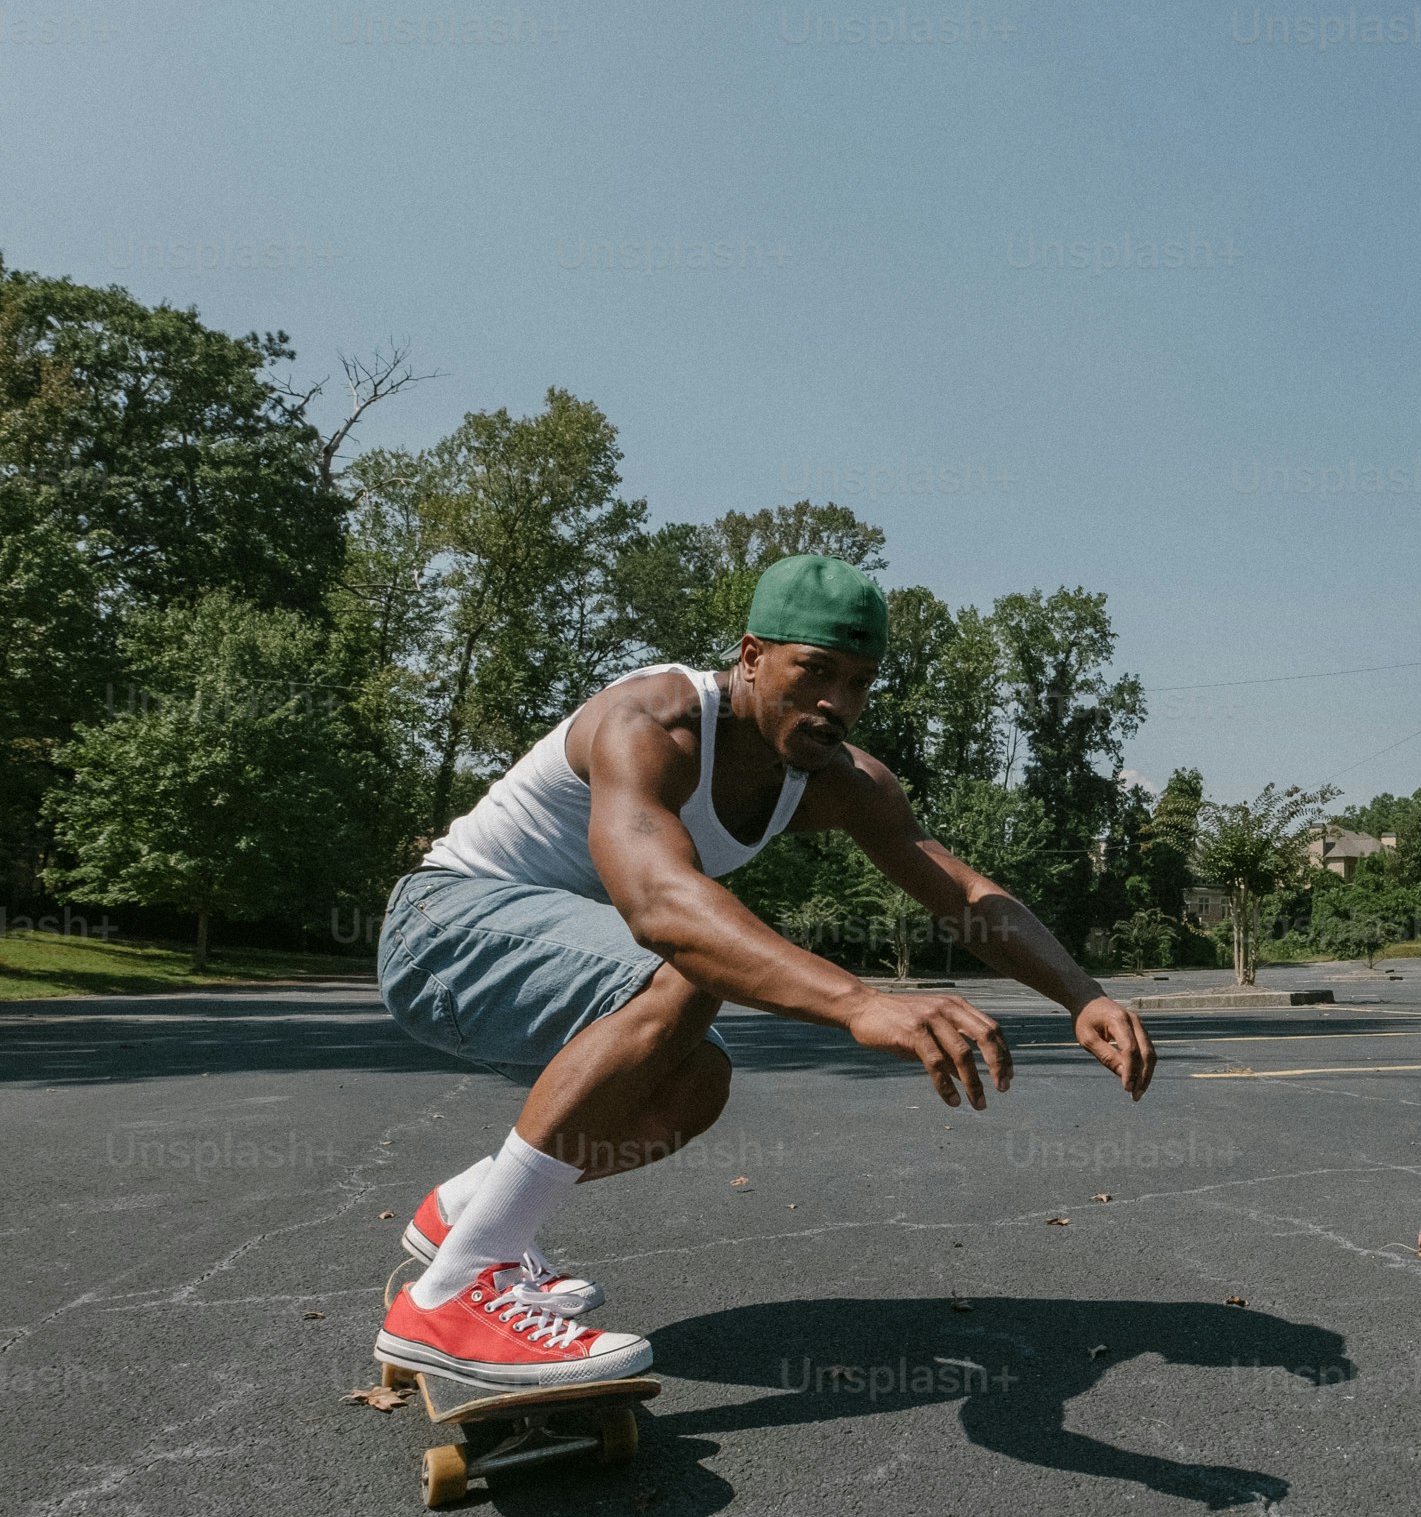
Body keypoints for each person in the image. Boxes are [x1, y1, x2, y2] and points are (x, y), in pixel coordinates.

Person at [373, 554, 1157, 1388]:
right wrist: (859, 1003)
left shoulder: (840, 782)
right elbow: (663, 908)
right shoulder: (652, 721)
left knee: (692, 1084)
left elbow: (962, 891)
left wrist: (1083, 994)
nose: (837, 706)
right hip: (443, 933)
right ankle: (452, 1295)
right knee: (686, 968)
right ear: (750, 655)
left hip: (546, 973)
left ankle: (468, 1214)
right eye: (814, 673)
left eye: (859, 683)